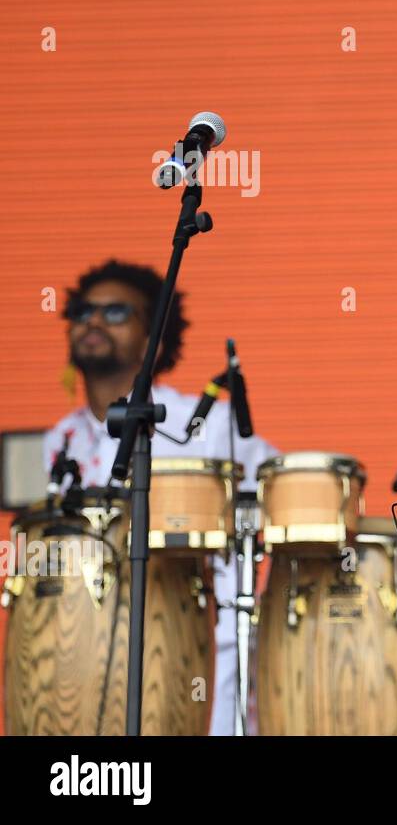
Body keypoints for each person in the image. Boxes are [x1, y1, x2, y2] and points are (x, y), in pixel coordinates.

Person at [42, 259, 276, 735]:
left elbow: (283, 491)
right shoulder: (58, 441)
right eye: (84, 311)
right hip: (88, 650)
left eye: (115, 313)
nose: (92, 321)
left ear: (153, 340)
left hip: (202, 648)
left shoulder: (204, 422)